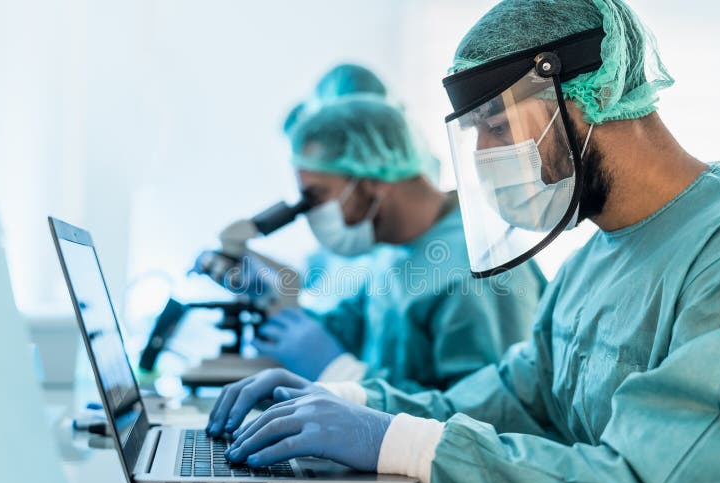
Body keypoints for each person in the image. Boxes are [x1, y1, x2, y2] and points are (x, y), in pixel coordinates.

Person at [208, 1, 720, 483]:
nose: (482, 158)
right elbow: (513, 401)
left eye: (497, 127)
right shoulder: (592, 263)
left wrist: (404, 445)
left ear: (585, 96)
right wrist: (352, 404)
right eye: (475, 132)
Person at [206, 87, 545, 426]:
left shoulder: (480, 267)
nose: (310, 214)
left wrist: (341, 373)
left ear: (372, 178)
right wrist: (279, 301)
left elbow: (491, 419)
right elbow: (355, 330)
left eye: (316, 196)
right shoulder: (395, 249)